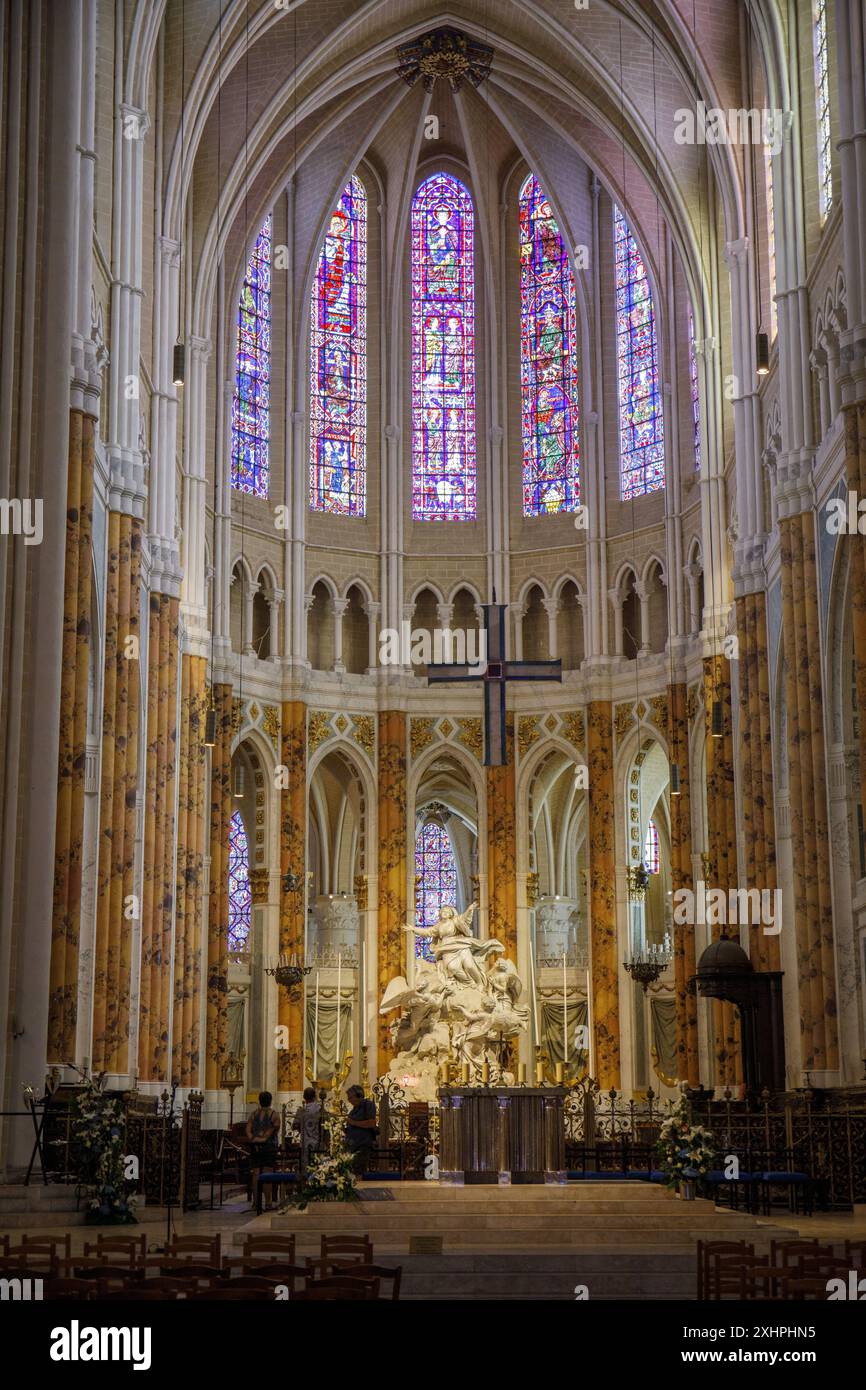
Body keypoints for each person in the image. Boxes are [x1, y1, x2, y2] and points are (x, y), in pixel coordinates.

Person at [245, 1091, 281, 1208]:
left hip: (255, 1146)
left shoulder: (253, 1114)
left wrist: (253, 1139)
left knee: (256, 1173)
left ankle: (256, 1202)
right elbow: (273, 1129)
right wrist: (263, 1139)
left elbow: (248, 1129)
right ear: (270, 1101)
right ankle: (268, 1202)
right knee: (267, 1173)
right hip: (269, 1146)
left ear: (259, 1101)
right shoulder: (274, 1114)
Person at [344, 1085, 378, 1174]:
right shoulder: (355, 1108)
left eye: (350, 1097)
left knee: (358, 1172)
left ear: (359, 1096)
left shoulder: (368, 1105)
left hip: (362, 1144)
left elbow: (371, 1123)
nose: (349, 1100)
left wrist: (353, 1123)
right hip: (353, 1145)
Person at [292, 1086, 324, 1172]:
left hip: (305, 1142)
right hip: (318, 1142)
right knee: (318, 1166)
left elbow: (294, 1125)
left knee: (306, 1166)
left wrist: (302, 1129)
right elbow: (325, 1125)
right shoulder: (321, 1109)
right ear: (315, 1097)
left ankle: (305, 1183)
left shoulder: (301, 1110)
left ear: (304, 1097)